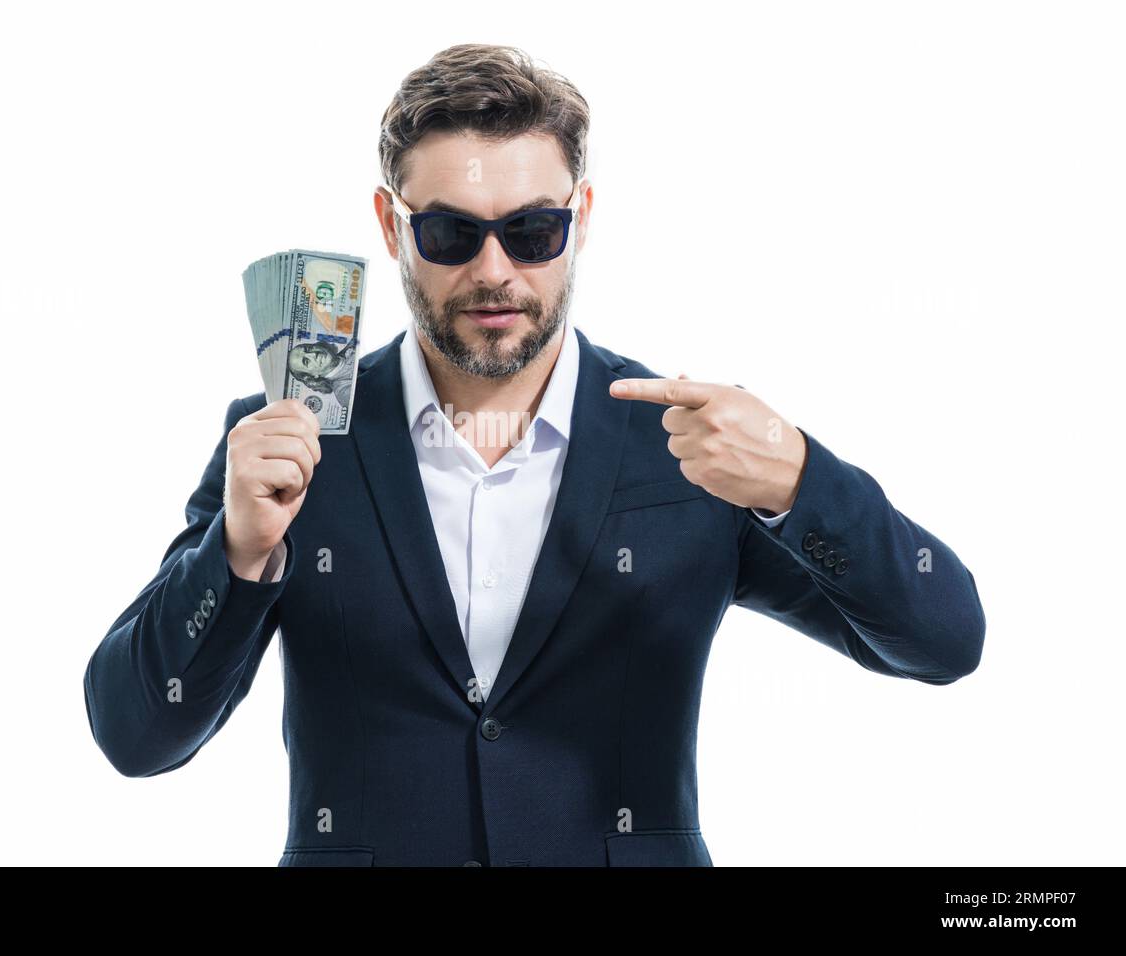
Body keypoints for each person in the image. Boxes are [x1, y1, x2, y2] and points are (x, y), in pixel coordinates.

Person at [83, 43, 985, 867]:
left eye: (532, 231)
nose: (493, 271)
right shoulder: (290, 442)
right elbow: (136, 735)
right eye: (450, 233)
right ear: (392, 228)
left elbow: (944, 641)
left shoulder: (692, 448)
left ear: (580, 219)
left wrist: (800, 480)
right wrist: (236, 555)